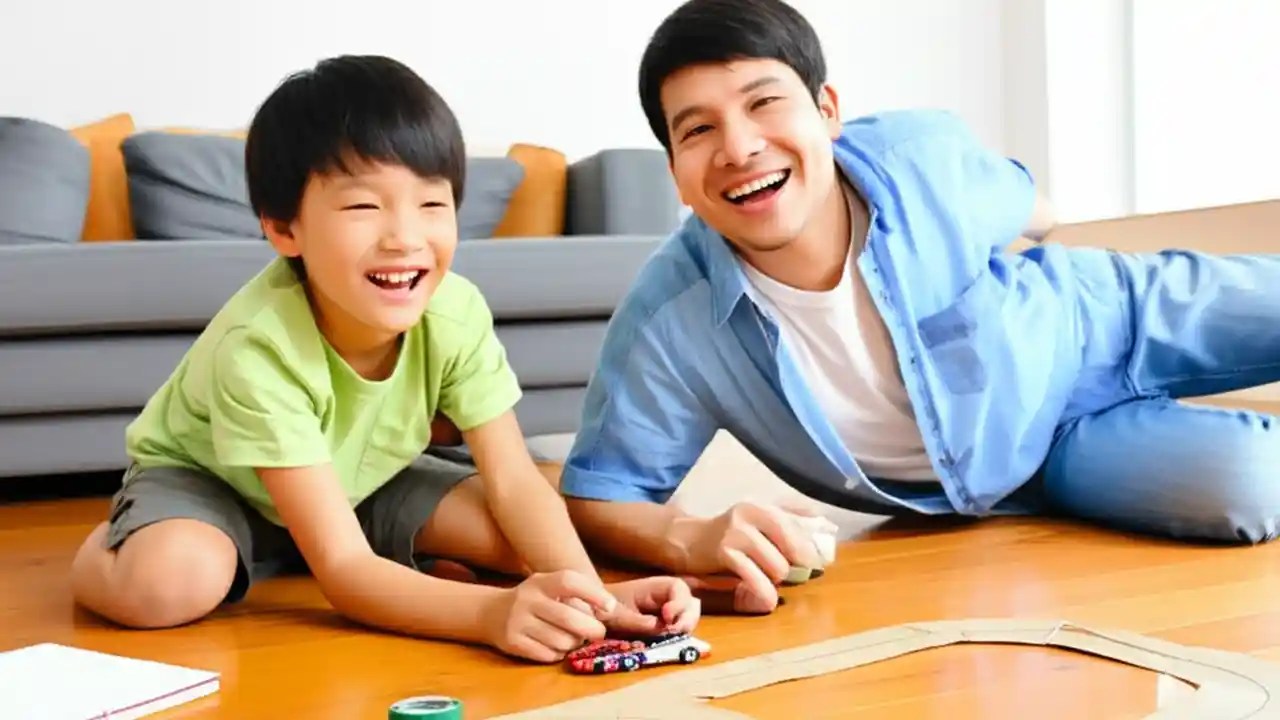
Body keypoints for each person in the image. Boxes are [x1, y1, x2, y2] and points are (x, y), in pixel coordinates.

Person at [560, 0, 1280, 614]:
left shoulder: (918, 155)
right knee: (1254, 486)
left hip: (1108, 311)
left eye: (763, 102)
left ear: (827, 111)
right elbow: (601, 494)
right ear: (677, 177)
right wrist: (694, 537)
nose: (740, 146)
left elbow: (1037, 209)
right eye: (698, 129)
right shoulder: (671, 320)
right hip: (1042, 459)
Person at [69, 55, 698, 663]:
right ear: (285, 228)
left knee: (522, 533)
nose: (405, 237)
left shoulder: (454, 312)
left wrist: (593, 600)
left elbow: (512, 480)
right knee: (170, 581)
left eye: (432, 205)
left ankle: (339, 552)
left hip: (363, 480)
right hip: (218, 487)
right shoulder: (258, 347)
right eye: (364, 206)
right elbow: (343, 574)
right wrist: (487, 616)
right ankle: (116, 547)